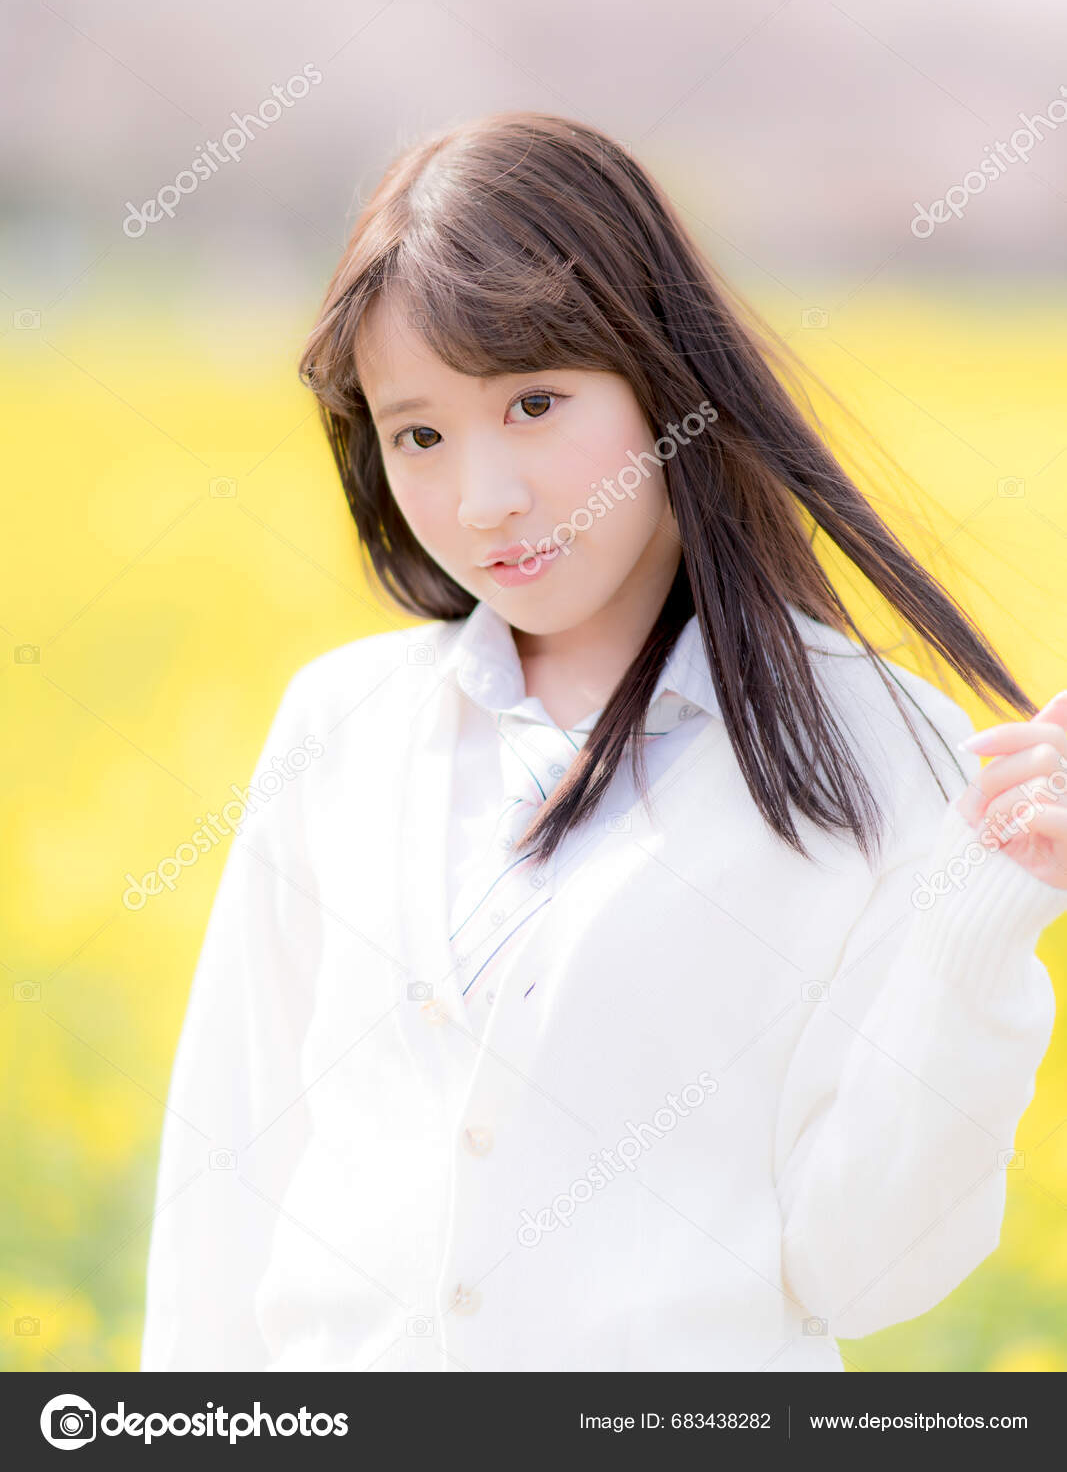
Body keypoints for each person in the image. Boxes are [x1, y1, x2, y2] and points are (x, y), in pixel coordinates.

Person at [140, 111, 1067, 1373]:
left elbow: (867, 1267)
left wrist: (983, 920)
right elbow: (227, 1181)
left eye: (533, 402)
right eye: (418, 432)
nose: (482, 499)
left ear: (666, 380)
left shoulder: (879, 746)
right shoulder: (341, 723)